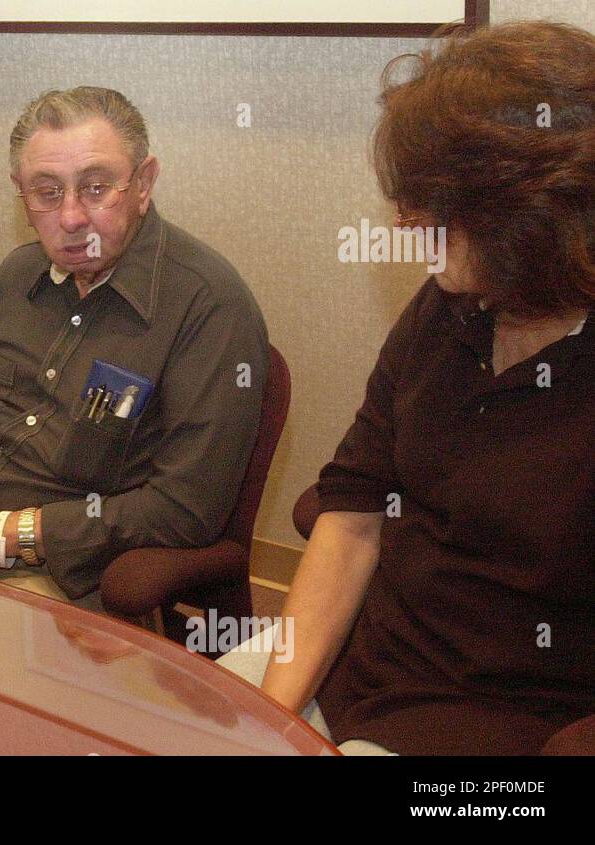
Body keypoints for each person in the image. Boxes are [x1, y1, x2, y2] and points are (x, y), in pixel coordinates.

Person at [256, 21, 595, 755]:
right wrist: (264, 720)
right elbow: (352, 513)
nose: (410, 228)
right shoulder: (449, 306)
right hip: (358, 666)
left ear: (537, 219)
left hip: (499, 727)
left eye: (438, 213)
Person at [0, 87, 268, 613]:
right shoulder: (18, 272)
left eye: (96, 188)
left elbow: (186, 508)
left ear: (143, 184)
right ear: (21, 195)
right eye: (47, 192)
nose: (72, 217)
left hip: (63, 574)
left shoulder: (209, 306)